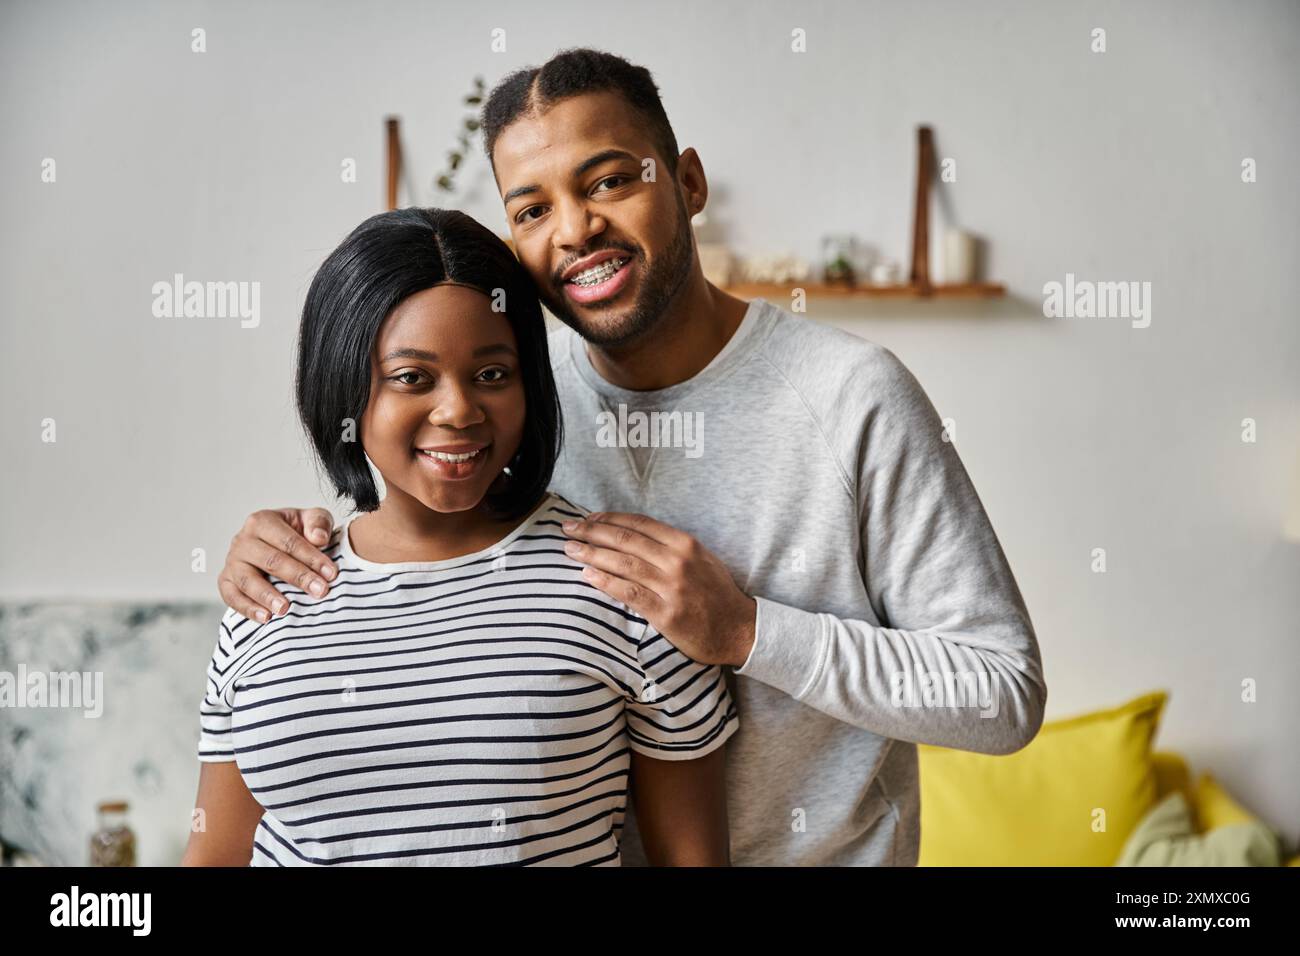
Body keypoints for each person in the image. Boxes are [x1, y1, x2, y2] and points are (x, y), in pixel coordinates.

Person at [215, 48, 1047, 866]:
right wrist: (280, 543)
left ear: (686, 182)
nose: (576, 229)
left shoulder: (850, 395)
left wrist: (750, 631)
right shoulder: (521, 411)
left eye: (610, 181)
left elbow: (1002, 695)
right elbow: (414, 505)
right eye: (532, 209)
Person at [182, 207, 737, 866]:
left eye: (492, 374)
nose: (459, 410)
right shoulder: (266, 591)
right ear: (343, 389)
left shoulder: (626, 586)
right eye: (412, 378)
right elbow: (212, 856)